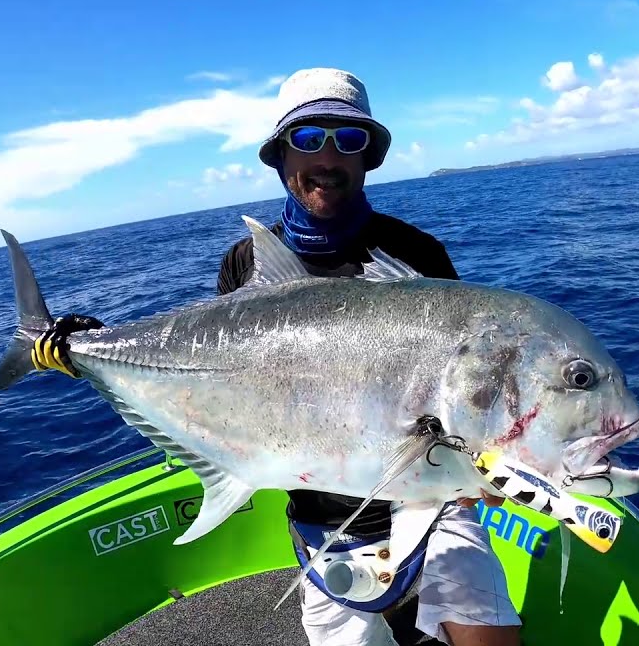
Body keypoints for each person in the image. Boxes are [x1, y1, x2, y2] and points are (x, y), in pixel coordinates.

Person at [216, 67, 522, 646]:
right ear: (281, 157)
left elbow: (462, 386)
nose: (327, 157)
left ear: (368, 157)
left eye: (348, 140)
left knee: (488, 634)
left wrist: (492, 460)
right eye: (308, 139)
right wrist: (85, 348)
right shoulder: (243, 264)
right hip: (320, 511)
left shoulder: (415, 254)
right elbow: (223, 383)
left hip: (432, 496)